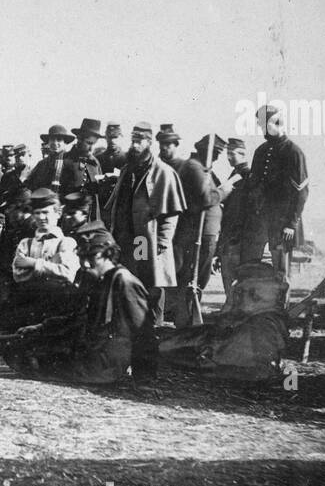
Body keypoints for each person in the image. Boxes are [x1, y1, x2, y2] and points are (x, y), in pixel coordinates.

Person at [3, 230, 156, 383]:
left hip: (104, 363)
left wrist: (144, 378)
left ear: (109, 254)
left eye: (92, 257)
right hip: (89, 350)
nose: (85, 264)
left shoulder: (124, 281)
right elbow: (80, 318)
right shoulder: (97, 278)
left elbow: (144, 332)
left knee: (26, 359)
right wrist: (40, 328)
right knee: (18, 349)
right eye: (82, 257)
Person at [105, 121, 186, 328]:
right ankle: (132, 326)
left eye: (139, 141)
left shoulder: (162, 172)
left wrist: (162, 241)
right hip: (125, 237)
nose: (134, 145)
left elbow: (170, 213)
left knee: (149, 281)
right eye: (133, 140)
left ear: (149, 143)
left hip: (144, 238)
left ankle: (154, 329)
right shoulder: (128, 169)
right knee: (128, 281)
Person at [159, 262, 289, 380]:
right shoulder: (251, 315)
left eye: (241, 292)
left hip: (215, 356)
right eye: (238, 291)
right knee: (165, 343)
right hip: (213, 346)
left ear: (257, 295)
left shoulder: (263, 325)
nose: (237, 297)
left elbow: (264, 370)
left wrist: (218, 371)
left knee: (163, 349)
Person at [0, 188, 84, 331]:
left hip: (56, 302)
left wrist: (33, 263)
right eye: (37, 213)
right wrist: (51, 267)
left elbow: (67, 273)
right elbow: (18, 275)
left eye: (46, 212)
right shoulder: (26, 243)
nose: (41, 218)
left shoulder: (67, 243)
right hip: (29, 300)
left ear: (58, 214)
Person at [242, 105, 309, 279]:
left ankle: (281, 306)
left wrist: (291, 223)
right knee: (251, 267)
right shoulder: (261, 151)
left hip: (282, 222)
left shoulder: (294, 152)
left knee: (281, 271)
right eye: (260, 125)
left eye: (264, 124)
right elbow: (254, 185)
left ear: (276, 123)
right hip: (260, 220)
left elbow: (301, 192)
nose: (261, 129)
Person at [170, 133, 224, 326]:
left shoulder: (203, 168)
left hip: (206, 231)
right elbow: (205, 198)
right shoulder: (194, 167)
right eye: (216, 153)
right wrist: (226, 190)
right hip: (197, 232)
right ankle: (186, 318)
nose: (217, 157)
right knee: (195, 275)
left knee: (200, 275)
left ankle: (189, 315)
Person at [215, 137, 252, 307]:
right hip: (231, 235)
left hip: (237, 237)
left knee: (233, 278)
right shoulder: (236, 173)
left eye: (232, 154)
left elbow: (240, 212)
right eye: (227, 153)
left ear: (243, 154)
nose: (229, 157)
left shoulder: (246, 175)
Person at [59, 118, 111, 222]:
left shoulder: (95, 163)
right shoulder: (64, 160)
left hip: (91, 217)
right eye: (89, 143)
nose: (91, 148)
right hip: (70, 217)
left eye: (94, 144)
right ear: (79, 139)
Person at [24, 124, 74, 192]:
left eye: (59, 140)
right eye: (52, 139)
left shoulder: (71, 162)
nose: (55, 143)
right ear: (48, 142)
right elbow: (29, 185)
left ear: (65, 143)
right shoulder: (42, 164)